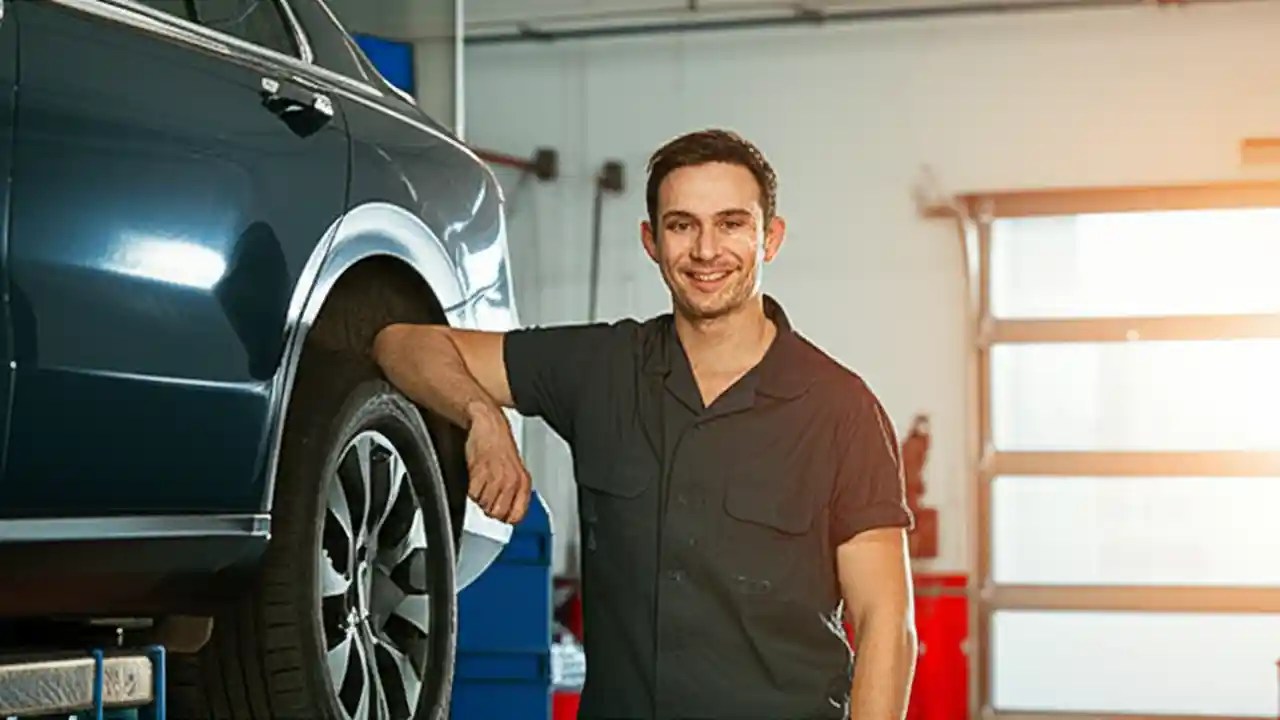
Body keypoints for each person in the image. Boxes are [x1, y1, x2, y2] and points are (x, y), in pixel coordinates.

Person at [372, 129, 918, 720]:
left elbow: (887, 623)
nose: (707, 250)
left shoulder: (839, 410)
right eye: (682, 225)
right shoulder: (602, 369)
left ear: (771, 239)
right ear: (651, 241)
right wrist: (481, 415)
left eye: (731, 223)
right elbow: (403, 345)